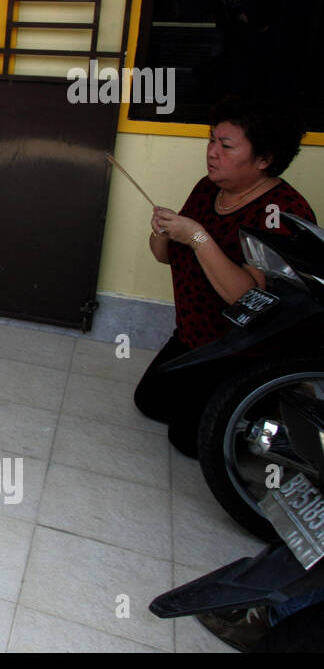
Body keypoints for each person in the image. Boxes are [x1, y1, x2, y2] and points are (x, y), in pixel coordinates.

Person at [133, 100, 315, 455]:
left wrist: (199, 237)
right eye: (211, 140)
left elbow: (251, 301)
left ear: (264, 159)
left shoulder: (281, 212)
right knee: (150, 402)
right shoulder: (207, 189)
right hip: (196, 339)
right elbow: (164, 256)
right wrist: (163, 231)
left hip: (245, 351)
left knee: (188, 441)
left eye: (226, 145)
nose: (212, 153)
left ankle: (276, 406)